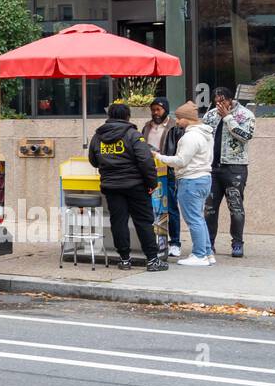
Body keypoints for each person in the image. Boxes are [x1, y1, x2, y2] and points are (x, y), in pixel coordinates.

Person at [88, 102, 166, 272]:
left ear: (109, 116)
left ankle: (124, 260)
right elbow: (146, 161)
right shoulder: (133, 135)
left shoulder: (98, 136)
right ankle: (152, 260)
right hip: (136, 186)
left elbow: (93, 160)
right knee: (143, 222)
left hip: (111, 186)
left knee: (119, 222)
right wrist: (152, 183)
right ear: (127, 116)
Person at [151, 102, 215, 266]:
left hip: (191, 180)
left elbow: (180, 161)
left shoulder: (190, 137)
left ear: (187, 118)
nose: (177, 121)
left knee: (194, 219)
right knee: (199, 218)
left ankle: (199, 255)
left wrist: (158, 156)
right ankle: (207, 253)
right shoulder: (205, 134)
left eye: (179, 118)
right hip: (203, 178)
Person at [202, 86, 256, 258]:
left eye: (222, 101)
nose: (219, 105)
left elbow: (246, 136)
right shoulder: (210, 115)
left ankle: (237, 243)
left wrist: (228, 118)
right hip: (212, 168)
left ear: (230, 100)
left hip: (234, 168)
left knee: (236, 207)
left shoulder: (245, 115)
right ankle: (209, 243)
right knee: (210, 208)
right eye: (216, 102)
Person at [141, 97, 185, 257]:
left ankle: (175, 242)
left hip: (169, 171)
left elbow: (179, 149)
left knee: (171, 207)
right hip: (150, 171)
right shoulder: (146, 127)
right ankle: (156, 241)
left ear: (165, 109)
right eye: (153, 110)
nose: (155, 113)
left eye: (158, 109)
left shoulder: (175, 127)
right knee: (152, 208)